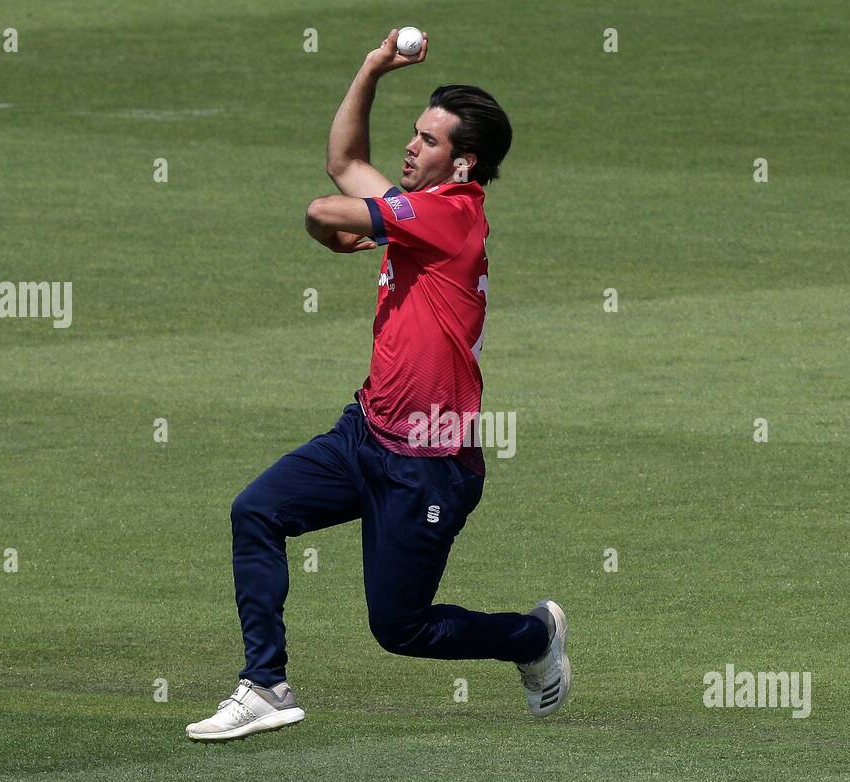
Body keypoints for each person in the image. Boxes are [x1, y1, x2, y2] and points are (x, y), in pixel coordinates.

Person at [187, 29, 570, 741]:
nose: (412, 148)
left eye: (428, 140)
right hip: (365, 434)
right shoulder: (419, 210)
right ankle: (265, 684)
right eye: (414, 133)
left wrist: (331, 227)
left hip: (429, 465)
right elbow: (343, 163)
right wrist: (372, 67)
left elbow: (325, 207)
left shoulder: (451, 217)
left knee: (401, 627)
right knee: (256, 511)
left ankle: (532, 639)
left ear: (465, 161)